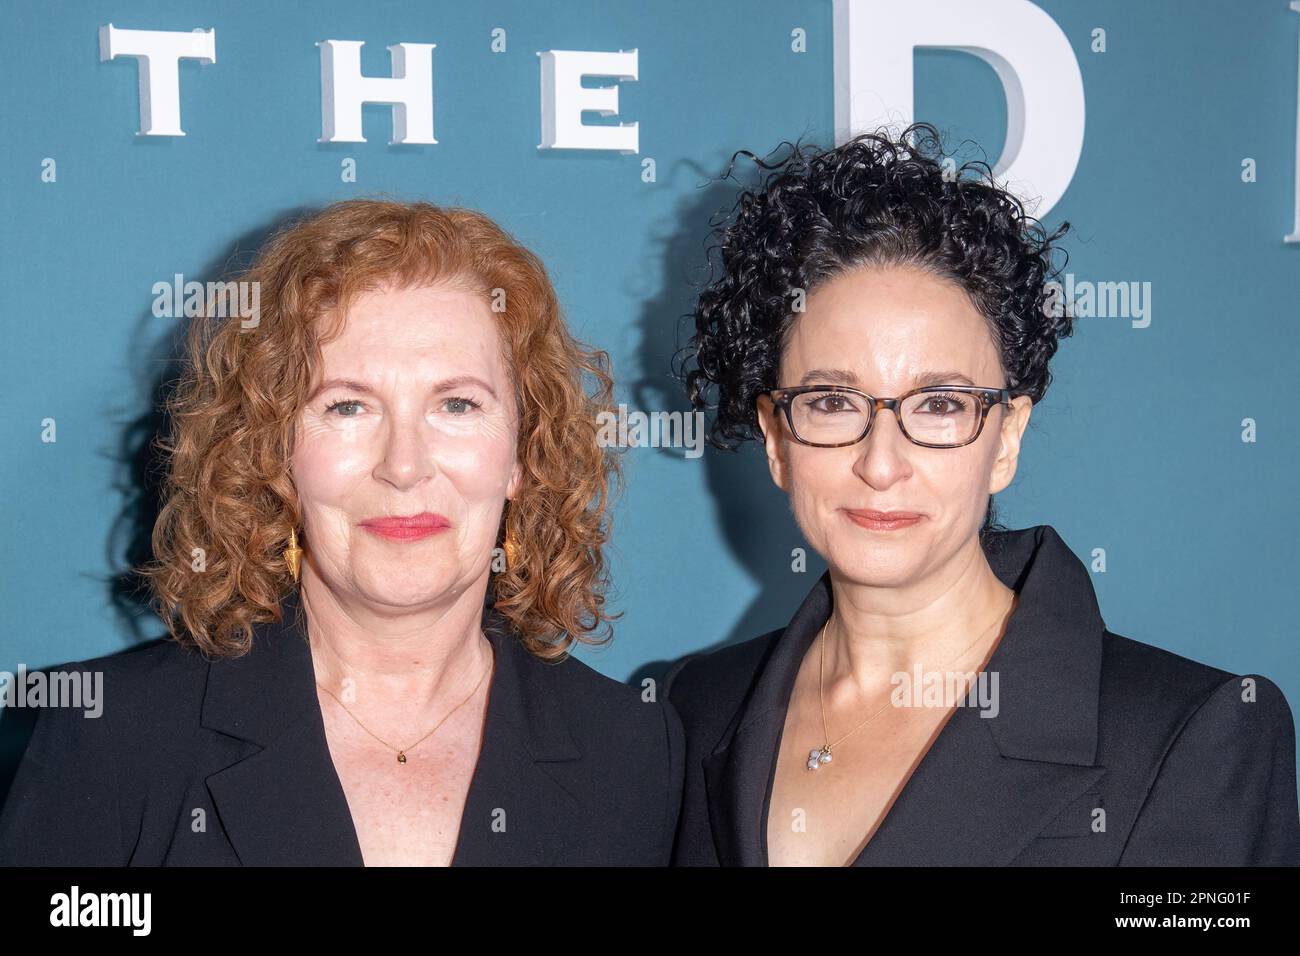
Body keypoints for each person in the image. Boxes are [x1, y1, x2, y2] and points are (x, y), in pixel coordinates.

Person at [664, 124, 1300, 866]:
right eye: (833, 401)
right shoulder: (696, 709)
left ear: (1005, 439)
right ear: (776, 438)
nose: (881, 463)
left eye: (938, 405)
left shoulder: (1188, 739)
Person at [0, 199, 683, 866]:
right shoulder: (111, 736)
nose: (405, 465)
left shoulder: (635, 753)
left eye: (457, 404)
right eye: (348, 405)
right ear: (272, 452)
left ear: (521, 453)